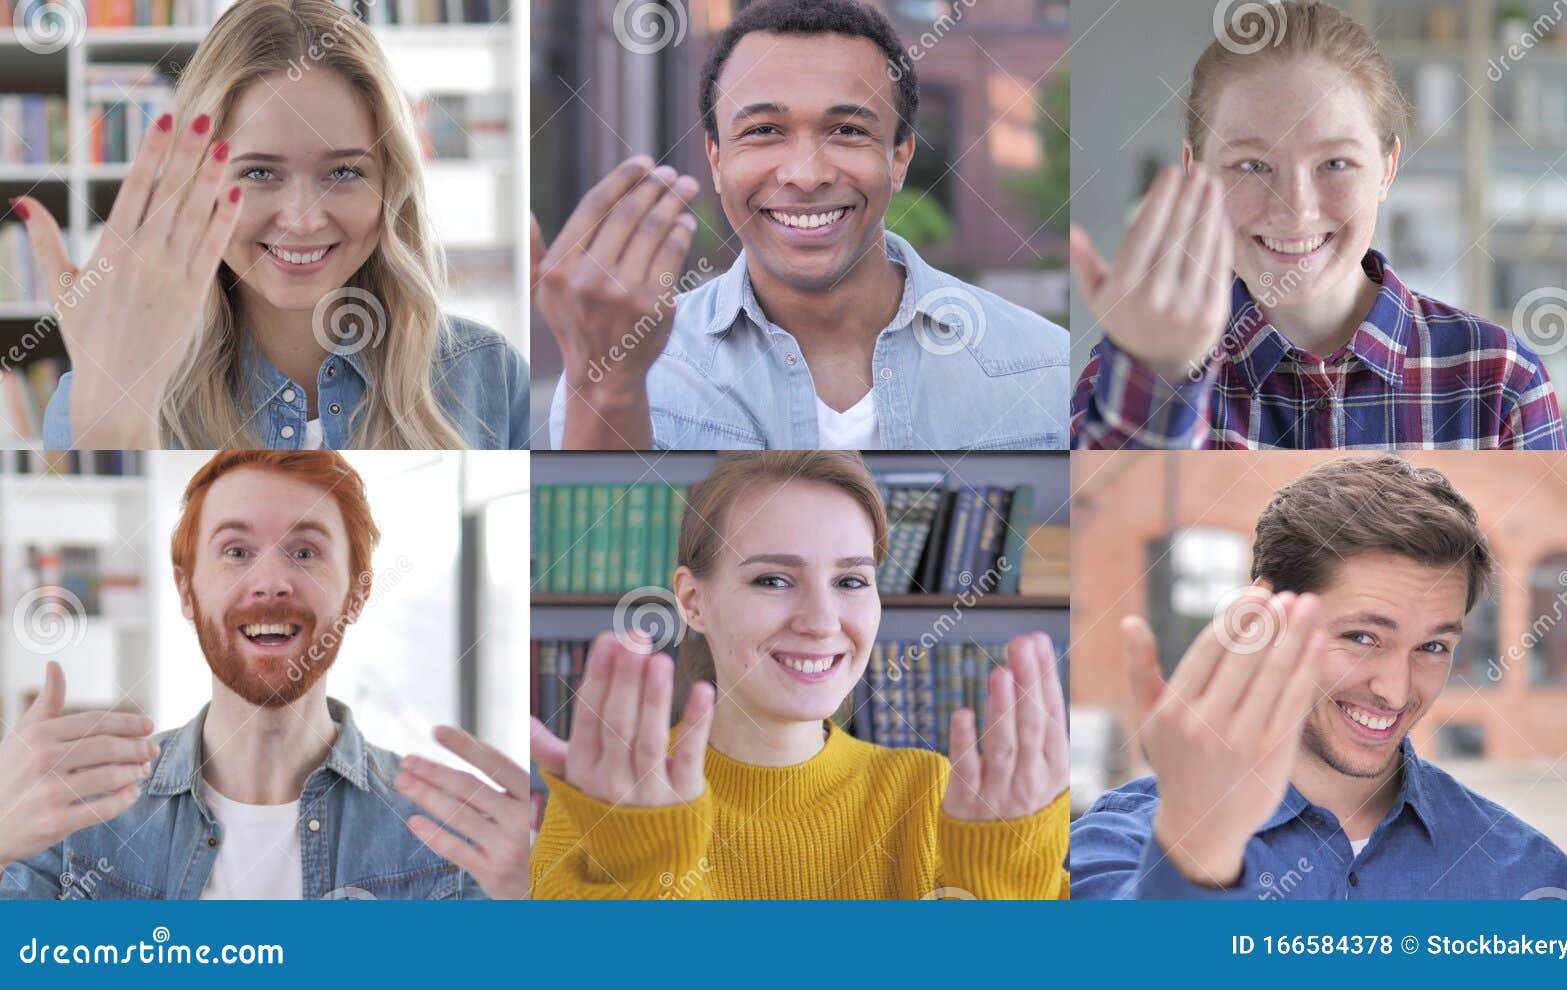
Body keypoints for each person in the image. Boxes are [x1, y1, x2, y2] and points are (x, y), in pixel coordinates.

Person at [532, 0, 1068, 451]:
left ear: (900, 158)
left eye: (847, 130)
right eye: (764, 130)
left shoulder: (1046, 369)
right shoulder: (624, 365)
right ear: (716, 160)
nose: (806, 175)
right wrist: (609, 389)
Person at [529, 451, 1069, 898]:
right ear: (693, 601)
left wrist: (1003, 886)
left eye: (851, 581)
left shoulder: (936, 793)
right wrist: (643, 868)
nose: (821, 621)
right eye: (773, 580)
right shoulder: (604, 799)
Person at [0, 451, 529, 900]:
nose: (271, 581)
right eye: (236, 552)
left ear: (357, 593)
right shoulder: (72, 820)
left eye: (305, 552)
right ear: (187, 592)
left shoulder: (450, 843)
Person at [7, 0, 530, 450]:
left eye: (344, 172)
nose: (302, 219)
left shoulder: (490, 375)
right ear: (194, 186)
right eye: (258, 173)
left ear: (390, 184)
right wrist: (117, 421)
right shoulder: (94, 399)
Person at [1071, 456, 1567, 899]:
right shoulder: (1120, 844)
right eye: (1362, 637)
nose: (1395, 691)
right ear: (1262, 621)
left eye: (1432, 647)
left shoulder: (1530, 878)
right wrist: (1196, 855)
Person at [1070, 0, 1563, 450]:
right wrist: (1159, 384)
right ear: (1194, 170)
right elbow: (1108, 519)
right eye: (1253, 165)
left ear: (1387, 169)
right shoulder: (1123, 381)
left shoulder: (1503, 381)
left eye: (1335, 163)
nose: (1295, 209)